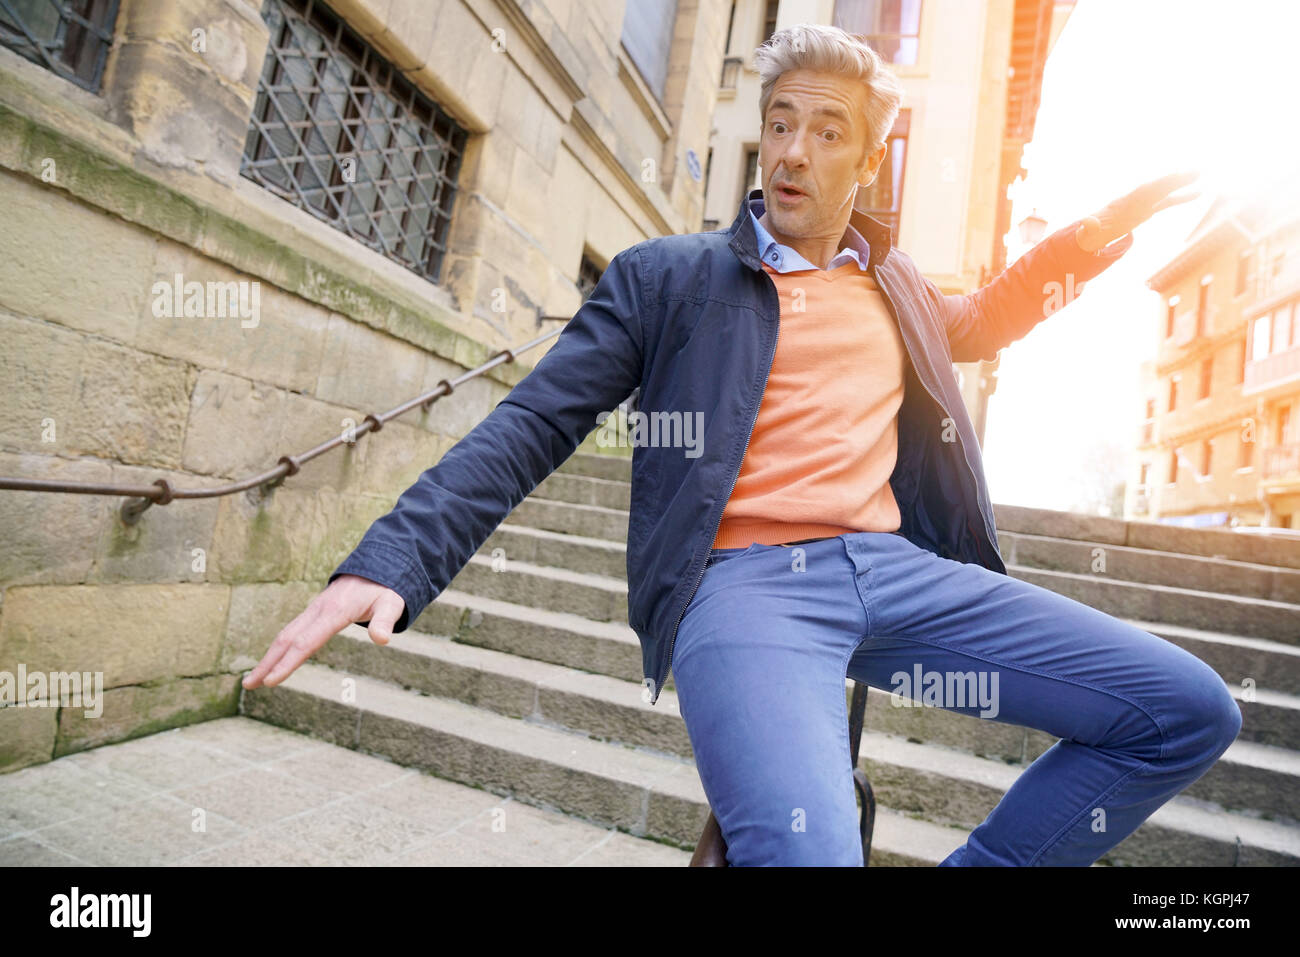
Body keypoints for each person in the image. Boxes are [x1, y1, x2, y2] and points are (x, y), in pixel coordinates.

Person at [244, 23, 1239, 866]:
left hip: (894, 575)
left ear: (867, 158)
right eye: (780, 124)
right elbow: (533, 420)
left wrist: (1106, 227)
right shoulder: (665, 279)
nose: (795, 151)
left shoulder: (896, 291)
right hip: (746, 588)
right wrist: (395, 558)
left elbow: (990, 312)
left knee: (1187, 711)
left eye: (827, 130)